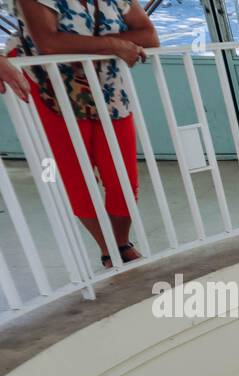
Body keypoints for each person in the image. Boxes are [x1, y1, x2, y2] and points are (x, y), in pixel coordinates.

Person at [13, 0, 158, 267]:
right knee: (77, 177)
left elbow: (149, 36)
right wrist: (113, 45)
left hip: (111, 91)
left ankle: (120, 243)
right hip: (54, 93)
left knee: (124, 178)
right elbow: (49, 43)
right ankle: (108, 249)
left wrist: (87, 45)